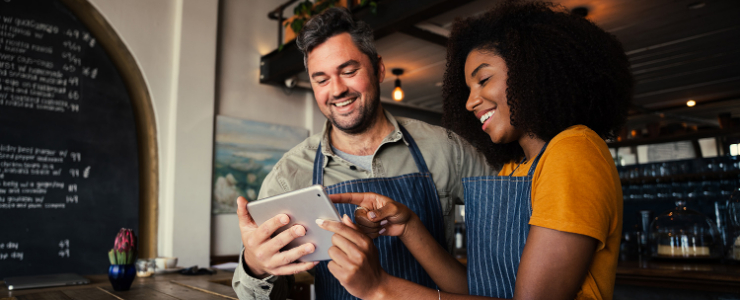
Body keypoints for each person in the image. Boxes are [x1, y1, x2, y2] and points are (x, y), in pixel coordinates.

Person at [317, 1, 632, 300]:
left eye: (483, 80)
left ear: (532, 71)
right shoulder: (516, 169)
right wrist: (409, 226)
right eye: (468, 89)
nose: (470, 102)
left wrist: (379, 288)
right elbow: (480, 290)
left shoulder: (573, 151)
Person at [231, 7, 493, 300]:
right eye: (322, 79)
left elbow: (505, 253)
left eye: (349, 71)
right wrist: (255, 266)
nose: (338, 89)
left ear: (378, 68)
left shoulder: (447, 149)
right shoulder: (288, 177)